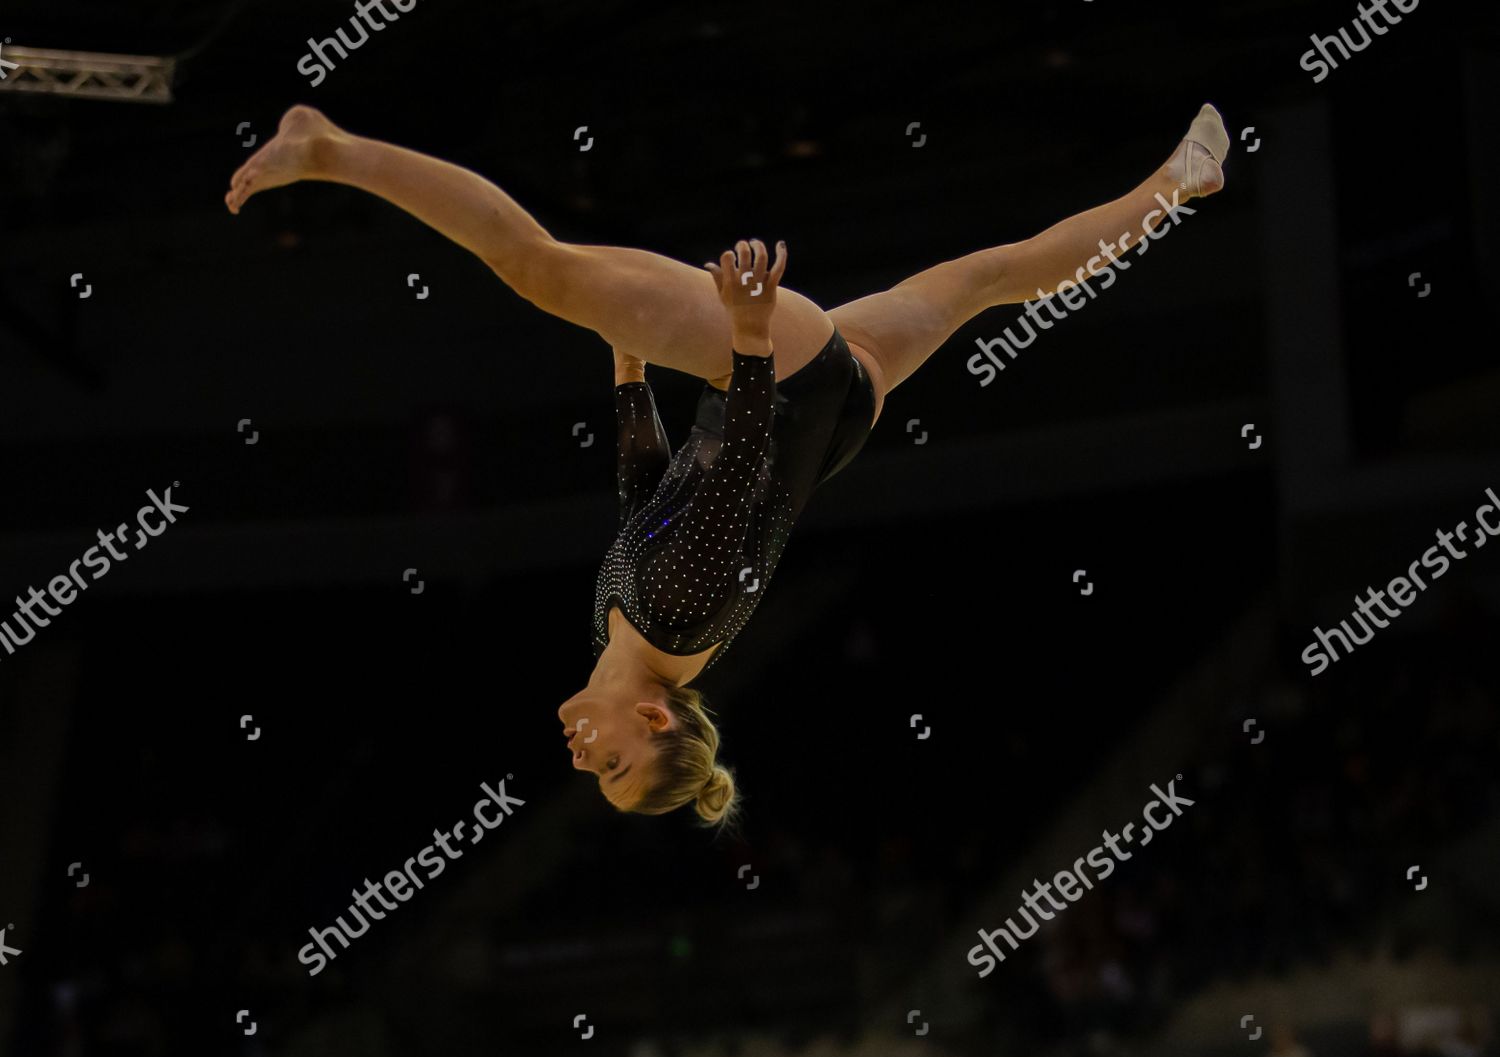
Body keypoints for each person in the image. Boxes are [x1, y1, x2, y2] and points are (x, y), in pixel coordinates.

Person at [226, 103, 1231, 826]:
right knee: (535, 263)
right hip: (780, 384)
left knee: (995, 279)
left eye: (597, 773)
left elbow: (650, 497)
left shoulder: (626, 635)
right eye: (615, 759)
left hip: (829, 410)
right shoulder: (681, 616)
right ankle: (334, 149)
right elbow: (741, 463)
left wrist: (628, 372)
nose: (583, 756)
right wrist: (749, 335)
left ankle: (1176, 185)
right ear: (656, 716)